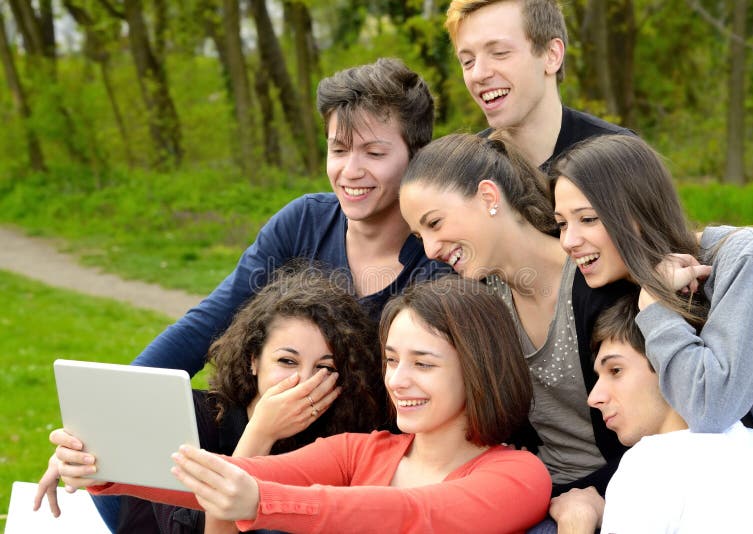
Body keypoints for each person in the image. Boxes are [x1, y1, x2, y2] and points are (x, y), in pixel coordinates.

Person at [34, 58, 448, 527]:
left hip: (357, 463)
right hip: (264, 434)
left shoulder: (435, 261)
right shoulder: (302, 223)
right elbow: (205, 325)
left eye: (374, 153)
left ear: (416, 156)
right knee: (129, 453)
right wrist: (98, 428)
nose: (350, 171)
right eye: (338, 149)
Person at [52, 276, 553, 533]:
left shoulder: (518, 475)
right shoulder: (359, 451)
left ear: (479, 369)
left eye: (423, 364)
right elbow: (233, 476)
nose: (398, 380)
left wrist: (261, 501)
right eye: (392, 359)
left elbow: (412, 516)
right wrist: (105, 467)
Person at [399, 134, 636, 522]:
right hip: (526, 490)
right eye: (419, 235)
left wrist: (582, 505)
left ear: (489, 197)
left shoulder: (597, 280)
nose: (429, 249)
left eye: (435, 223)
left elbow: (658, 433)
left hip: (614, 492)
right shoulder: (481, 300)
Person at [59, 266, 386, 533]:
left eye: (324, 367)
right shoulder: (190, 419)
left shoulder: (343, 441)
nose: (302, 380)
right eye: (287, 362)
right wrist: (261, 432)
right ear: (253, 360)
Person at [551, 134, 753, 454]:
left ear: (638, 212)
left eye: (587, 219)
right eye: (561, 224)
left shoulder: (749, 258)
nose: (569, 241)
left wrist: (654, 307)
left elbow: (711, 408)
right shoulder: (624, 290)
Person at [584, 296, 753, 533]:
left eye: (616, 370)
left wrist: (577, 521)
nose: (594, 397)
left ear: (668, 360)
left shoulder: (646, 470)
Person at [445, 0, 633, 172]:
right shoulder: (464, 174)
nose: (478, 74)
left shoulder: (621, 160)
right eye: (468, 61)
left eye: (499, 53)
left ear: (552, 55)